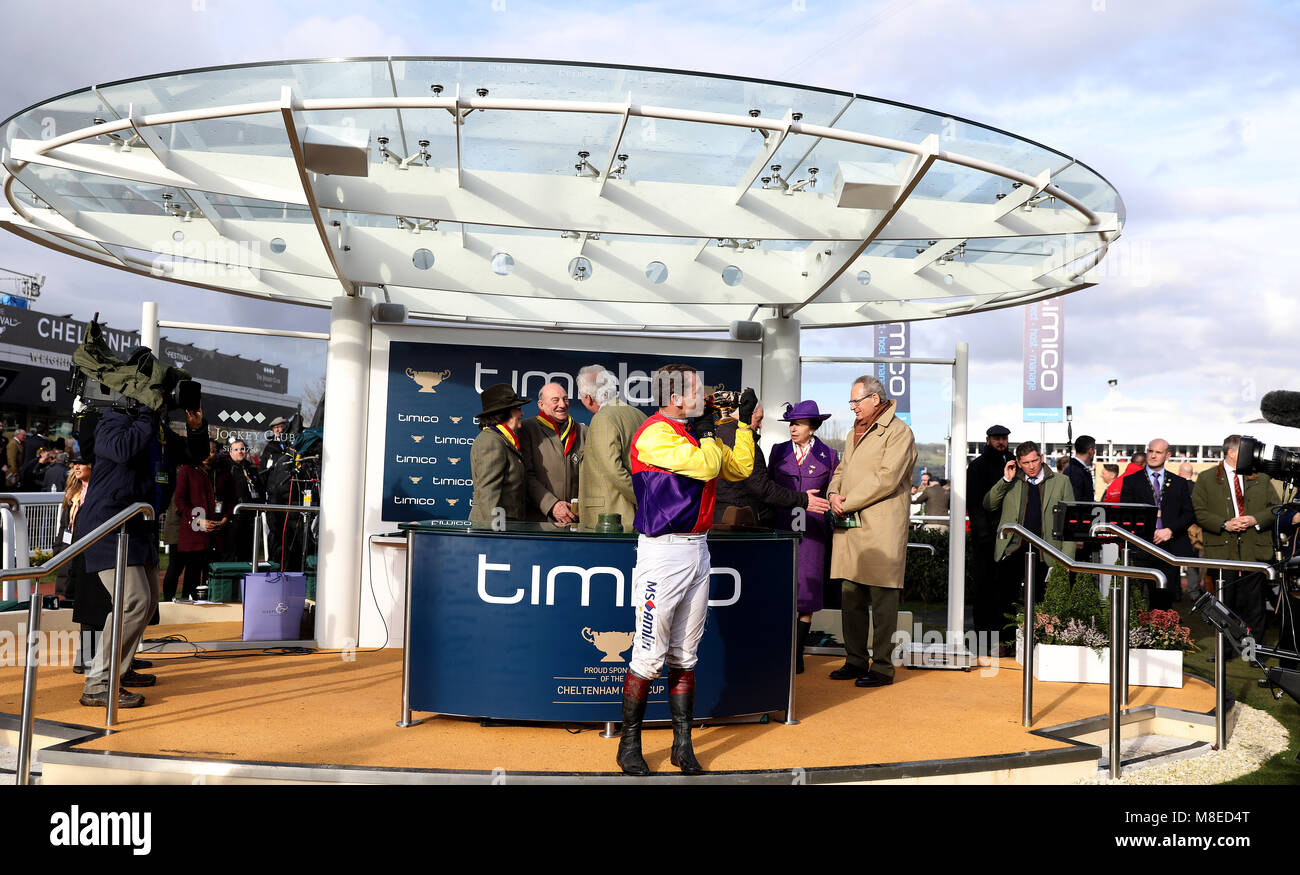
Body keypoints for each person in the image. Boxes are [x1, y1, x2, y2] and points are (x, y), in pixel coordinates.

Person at [617, 364, 754, 776]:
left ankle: (682, 746)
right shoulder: (653, 433)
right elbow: (709, 467)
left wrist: (740, 423)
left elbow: (738, 469)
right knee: (648, 656)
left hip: (698, 549)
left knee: (686, 655)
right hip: (664, 553)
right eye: (698, 390)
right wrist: (713, 429)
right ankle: (628, 747)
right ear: (676, 398)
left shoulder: (693, 431)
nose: (706, 395)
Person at [78, 399, 208, 709]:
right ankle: (98, 682)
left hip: (138, 527)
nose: (163, 400)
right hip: (109, 525)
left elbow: (195, 454)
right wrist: (148, 413)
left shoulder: (155, 427)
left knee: (148, 602)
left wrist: (196, 429)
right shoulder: (112, 419)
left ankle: (121, 670)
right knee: (133, 600)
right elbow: (122, 450)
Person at [826, 375, 916, 688]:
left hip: (881, 527)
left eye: (856, 401)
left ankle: (881, 667)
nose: (852, 407)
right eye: (851, 402)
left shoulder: (900, 432)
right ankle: (854, 660)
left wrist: (847, 501)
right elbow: (842, 469)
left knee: (882, 600)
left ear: (874, 399)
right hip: (851, 523)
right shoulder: (854, 432)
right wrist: (833, 494)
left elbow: (887, 478)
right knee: (850, 596)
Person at [766, 400, 837, 672]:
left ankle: (797, 654)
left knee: (806, 596)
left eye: (798, 424)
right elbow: (770, 489)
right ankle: (781, 650)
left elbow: (832, 491)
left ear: (813, 426)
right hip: (781, 530)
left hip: (813, 535)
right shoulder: (777, 451)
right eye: (791, 424)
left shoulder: (829, 456)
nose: (793, 429)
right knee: (781, 590)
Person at [983, 441, 1077, 642]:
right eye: (1026, 462)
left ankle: (1038, 644)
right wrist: (1005, 480)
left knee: (1042, 604)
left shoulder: (1061, 482)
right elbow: (989, 504)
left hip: (1047, 553)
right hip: (1014, 549)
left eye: (1034, 460)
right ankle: (1004, 644)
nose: (1032, 466)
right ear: (1018, 463)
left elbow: (1069, 522)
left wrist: (1067, 559)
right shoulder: (1012, 481)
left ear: (1041, 458)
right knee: (1004, 603)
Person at [1192, 435, 1275, 640]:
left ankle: (1256, 650)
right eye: (1249, 451)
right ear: (1232, 452)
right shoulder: (1206, 478)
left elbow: (1275, 508)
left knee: (1255, 602)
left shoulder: (1261, 478)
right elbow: (1200, 511)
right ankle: (1226, 648)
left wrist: (1254, 519)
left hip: (1254, 549)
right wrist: (1224, 524)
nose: (1254, 455)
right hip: (1222, 549)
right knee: (1223, 603)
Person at [1120, 438, 1194, 610]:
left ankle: (1161, 634)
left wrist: (1170, 530)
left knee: (1162, 603)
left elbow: (1189, 514)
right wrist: (1147, 531)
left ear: (1167, 455)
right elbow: (1126, 513)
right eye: (1150, 451)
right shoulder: (1131, 481)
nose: (1153, 456)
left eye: (1158, 452)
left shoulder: (1179, 483)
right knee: (1134, 601)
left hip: (1169, 549)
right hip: (1140, 547)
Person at [575, 364, 645, 531]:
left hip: (610, 520)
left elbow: (614, 471)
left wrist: (644, 498)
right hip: (637, 516)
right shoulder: (639, 415)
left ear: (587, 397)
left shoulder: (602, 419)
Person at [163, 440, 230, 601]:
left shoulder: (218, 472)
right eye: (205, 451)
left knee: (195, 567)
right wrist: (199, 520)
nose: (208, 455)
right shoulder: (186, 469)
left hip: (202, 528)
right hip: (179, 526)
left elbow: (227, 499)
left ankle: (188, 598)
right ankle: (166, 603)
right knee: (176, 566)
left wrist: (221, 519)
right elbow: (179, 500)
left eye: (212, 451)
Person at [968, 425, 1015, 638]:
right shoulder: (977, 466)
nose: (1001, 442)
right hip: (986, 538)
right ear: (988, 440)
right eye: (997, 438)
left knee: (1006, 587)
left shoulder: (1013, 462)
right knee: (984, 586)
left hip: (1009, 535)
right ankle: (983, 632)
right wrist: (984, 534)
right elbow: (975, 503)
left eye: (1003, 438)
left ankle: (1005, 633)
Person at [520, 382, 586, 526]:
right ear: (541, 404)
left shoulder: (582, 431)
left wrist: (585, 506)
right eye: (555, 400)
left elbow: (591, 476)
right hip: (540, 522)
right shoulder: (527, 429)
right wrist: (552, 505)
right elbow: (525, 475)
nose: (562, 404)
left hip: (576, 521)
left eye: (565, 399)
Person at [469, 384, 531, 526]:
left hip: (506, 525)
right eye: (518, 409)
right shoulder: (492, 441)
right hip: (494, 527)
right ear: (505, 412)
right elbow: (489, 495)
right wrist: (497, 535)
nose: (522, 414)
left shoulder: (501, 439)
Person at [223, 439, 264, 562]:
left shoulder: (252, 469)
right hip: (233, 518)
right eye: (236, 449)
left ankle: (245, 580)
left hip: (251, 517)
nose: (240, 452)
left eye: (242, 449)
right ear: (230, 452)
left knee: (248, 555)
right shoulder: (226, 468)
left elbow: (260, 489)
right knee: (231, 555)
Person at [1065, 435, 1095, 503]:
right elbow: (1076, 500)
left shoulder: (1075, 468)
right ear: (1090, 450)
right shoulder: (1075, 471)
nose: (1094, 452)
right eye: (1094, 449)